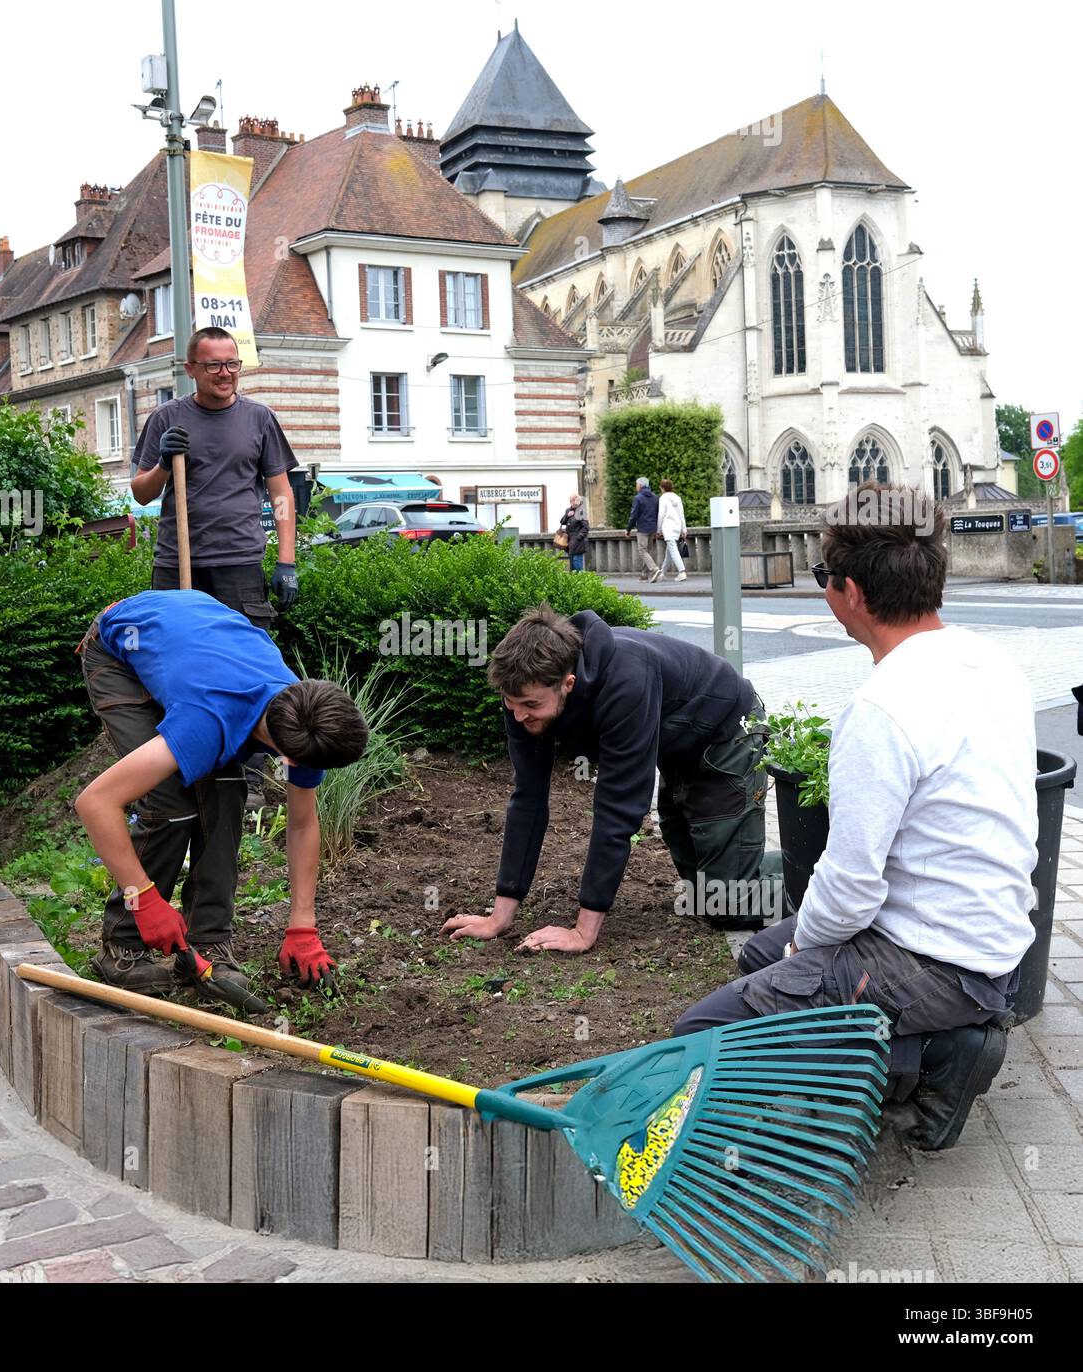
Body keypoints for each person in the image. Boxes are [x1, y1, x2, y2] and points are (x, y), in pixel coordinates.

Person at [673, 484, 1037, 1150]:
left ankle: (804, 1141)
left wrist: (797, 952)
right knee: (757, 955)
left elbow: (849, 892)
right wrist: (784, 957)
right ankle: (946, 1050)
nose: (824, 592)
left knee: (699, 1033)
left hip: (935, 959)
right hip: (996, 940)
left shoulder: (881, 710)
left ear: (852, 594)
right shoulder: (993, 665)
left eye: (822, 578)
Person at [75, 588, 369, 1011]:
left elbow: (303, 823)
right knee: (168, 803)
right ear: (286, 754)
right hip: (123, 644)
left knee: (226, 797)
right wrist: (144, 896)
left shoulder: (306, 714)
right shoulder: (207, 719)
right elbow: (96, 802)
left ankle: (209, 941)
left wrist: (303, 925)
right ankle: (124, 947)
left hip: (196, 636)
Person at [440, 604, 776, 953]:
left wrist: (583, 932)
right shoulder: (523, 690)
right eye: (511, 703)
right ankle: (766, 864)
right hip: (678, 746)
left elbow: (619, 808)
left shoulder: (626, 680)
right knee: (705, 891)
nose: (519, 714)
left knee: (732, 906)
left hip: (728, 735)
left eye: (530, 705)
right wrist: (499, 917)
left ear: (568, 684)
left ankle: (820, 876)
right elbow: (528, 798)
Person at [132, 325, 301, 801]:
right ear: (191, 369)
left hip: (239, 562)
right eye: (214, 366)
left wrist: (286, 561)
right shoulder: (167, 418)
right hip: (177, 563)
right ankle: (172, 767)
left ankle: (247, 776)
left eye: (232, 364)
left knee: (246, 664)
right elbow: (142, 493)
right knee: (171, 664)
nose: (225, 374)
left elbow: (281, 492)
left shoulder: (259, 419)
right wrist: (165, 463)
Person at [626, 476, 660, 581]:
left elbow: (633, 515)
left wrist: (628, 529)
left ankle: (654, 569)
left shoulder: (638, 498)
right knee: (648, 551)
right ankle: (645, 575)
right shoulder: (655, 497)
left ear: (640, 485)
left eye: (636, 485)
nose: (636, 487)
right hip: (652, 527)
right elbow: (658, 513)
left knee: (642, 551)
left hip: (642, 528)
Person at [655, 479, 687, 582]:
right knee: (669, 551)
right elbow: (681, 514)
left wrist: (658, 529)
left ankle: (682, 572)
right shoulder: (677, 498)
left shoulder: (663, 498)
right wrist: (684, 529)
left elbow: (661, 514)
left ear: (662, 488)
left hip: (668, 526)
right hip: (677, 526)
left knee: (672, 549)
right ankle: (662, 573)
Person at [558, 494, 590, 572]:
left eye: (574, 500)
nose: (572, 502)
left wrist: (578, 537)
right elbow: (562, 522)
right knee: (572, 563)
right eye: (571, 500)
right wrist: (567, 516)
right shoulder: (568, 510)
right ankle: (574, 582)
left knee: (577, 563)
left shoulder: (581, 512)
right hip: (569, 540)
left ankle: (581, 581)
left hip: (578, 541)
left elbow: (586, 528)